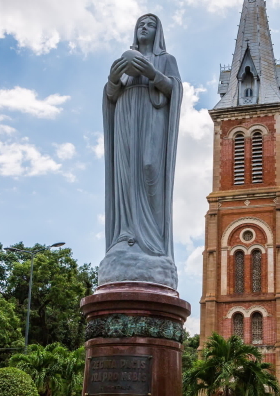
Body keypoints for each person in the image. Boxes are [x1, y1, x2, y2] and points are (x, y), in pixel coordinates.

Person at [99, 13, 183, 289]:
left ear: (158, 32)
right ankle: (125, 236)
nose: (143, 28)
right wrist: (113, 77)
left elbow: (173, 90)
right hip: (125, 121)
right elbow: (111, 95)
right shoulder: (124, 61)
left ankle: (153, 243)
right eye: (140, 25)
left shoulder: (166, 59)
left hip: (152, 120)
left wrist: (151, 73)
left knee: (149, 169)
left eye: (150, 25)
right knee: (125, 177)